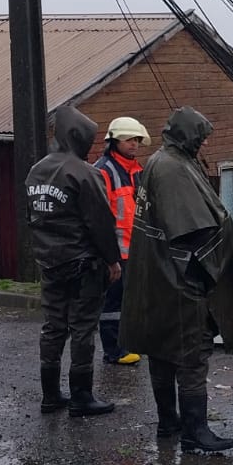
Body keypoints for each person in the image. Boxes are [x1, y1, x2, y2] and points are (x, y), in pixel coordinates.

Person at [119, 107, 233, 453]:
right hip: (177, 280)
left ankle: (168, 422)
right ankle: (195, 431)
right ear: (186, 134)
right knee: (191, 355)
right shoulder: (173, 169)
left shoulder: (160, 161)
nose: (203, 142)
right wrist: (206, 273)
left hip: (155, 276)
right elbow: (194, 231)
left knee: (161, 352)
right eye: (200, 136)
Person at [26, 106, 124, 417]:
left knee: (53, 327)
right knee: (83, 328)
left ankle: (51, 395)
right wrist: (113, 261)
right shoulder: (85, 173)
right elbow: (101, 223)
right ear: (78, 137)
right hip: (83, 263)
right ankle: (82, 396)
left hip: (49, 262)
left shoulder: (36, 171)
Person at [94, 116, 150, 367]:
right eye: (129, 139)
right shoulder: (104, 170)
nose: (134, 144)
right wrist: (109, 256)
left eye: (137, 139)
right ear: (114, 141)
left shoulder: (137, 171)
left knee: (128, 302)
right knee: (113, 303)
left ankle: (126, 344)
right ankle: (113, 350)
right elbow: (100, 216)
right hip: (116, 252)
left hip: (135, 251)